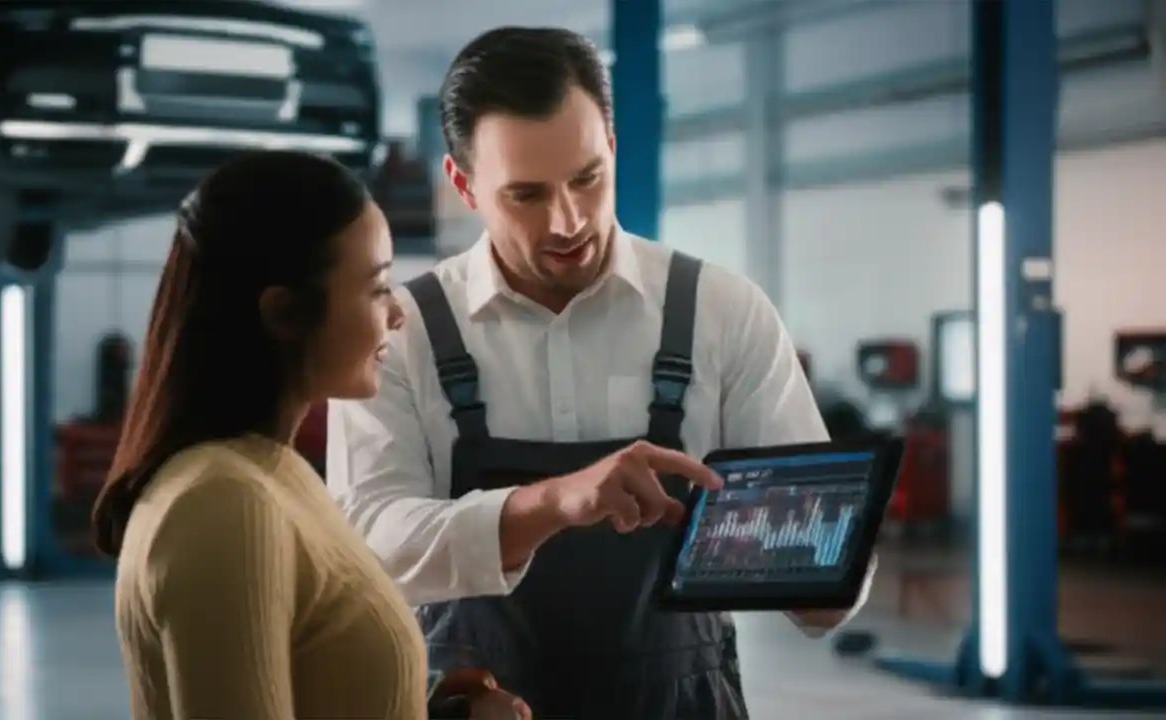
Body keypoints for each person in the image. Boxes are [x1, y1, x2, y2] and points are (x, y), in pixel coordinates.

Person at [326, 27, 875, 720]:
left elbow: (824, 567)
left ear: (613, 148)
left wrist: (820, 565)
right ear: (463, 184)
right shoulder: (399, 332)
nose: (568, 221)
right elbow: (369, 546)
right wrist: (550, 505)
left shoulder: (721, 311)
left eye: (588, 178)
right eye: (526, 194)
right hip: (480, 707)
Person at [90, 150, 531, 720]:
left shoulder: (275, 474)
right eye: (375, 288)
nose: (397, 314)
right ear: (284, 314)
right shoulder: (225, 504)